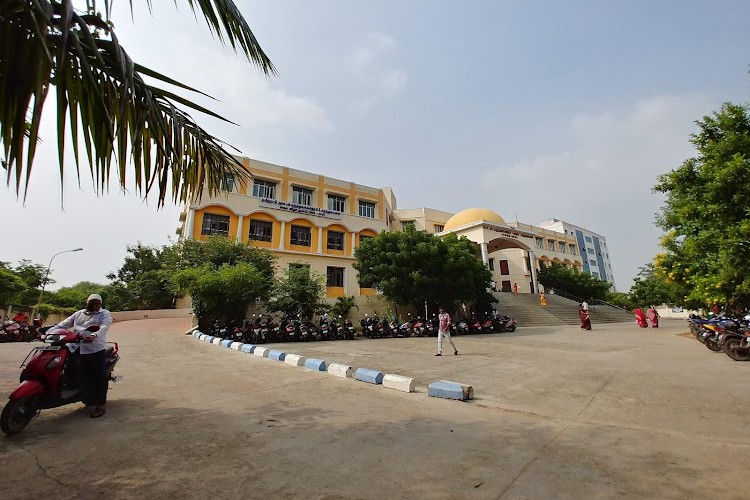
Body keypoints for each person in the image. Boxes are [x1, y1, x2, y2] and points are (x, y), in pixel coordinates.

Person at [47, 294, 112, 418]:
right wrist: (48, 332)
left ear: (101, 304)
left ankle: (101, 404)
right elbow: (62, 325)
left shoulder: (105, 314)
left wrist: (94, 336)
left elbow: (104, 326)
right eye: (92, 303)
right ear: (86, 303)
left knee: (99, 376)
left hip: (95, 349)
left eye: (97, 303)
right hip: (76, 348)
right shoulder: (78, 314)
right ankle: (81, 395)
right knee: (72, 371)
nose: (95, 306)